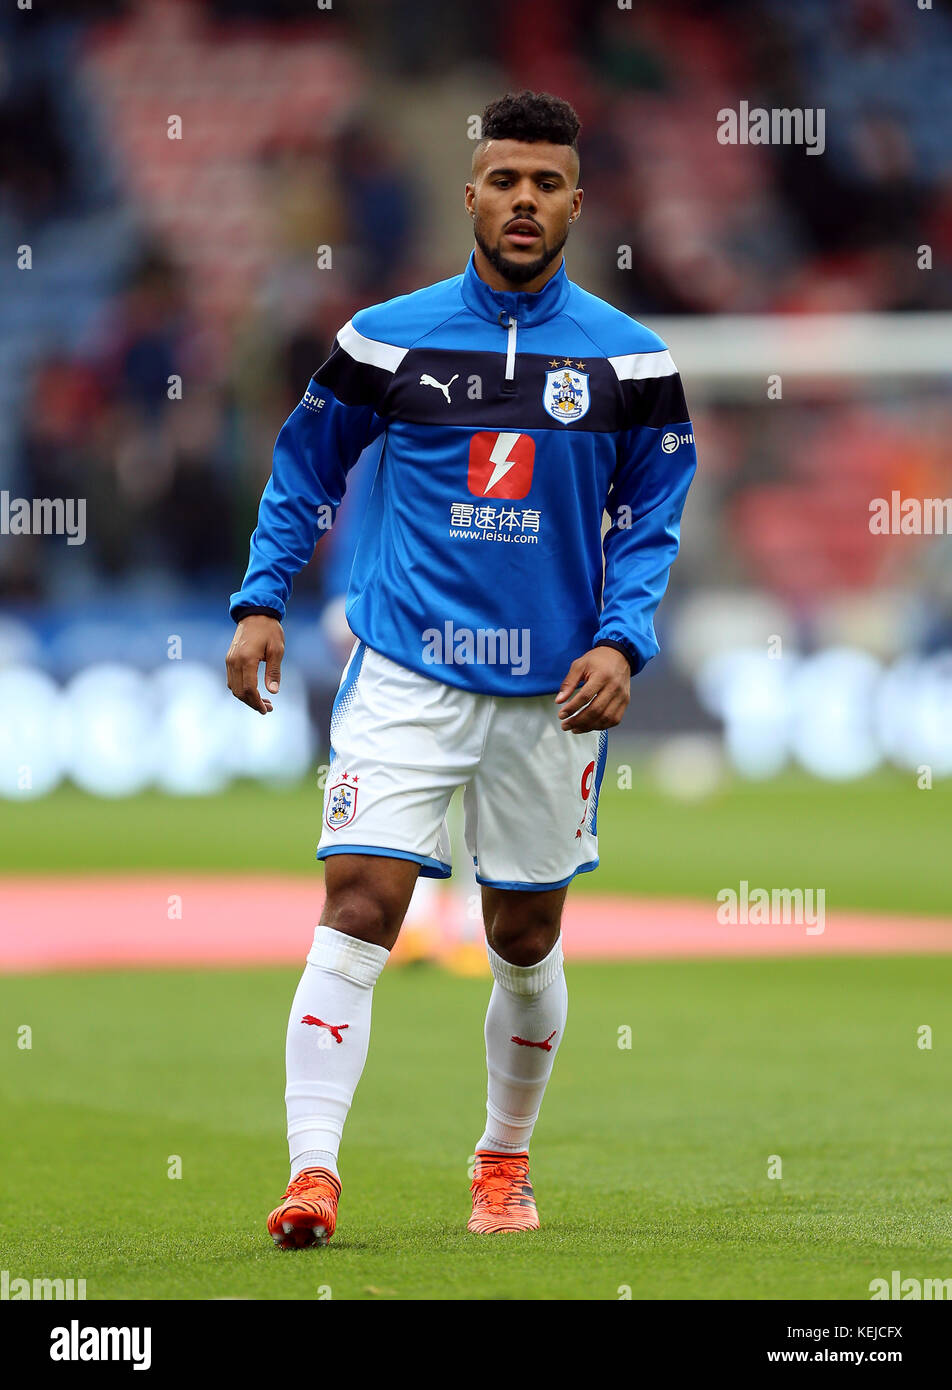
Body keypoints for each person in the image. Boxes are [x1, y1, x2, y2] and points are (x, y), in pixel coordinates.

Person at [226, 90, 697, 1245]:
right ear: (471, 193)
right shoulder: (386, 336)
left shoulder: (633, 363)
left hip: (550, 693)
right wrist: (258, 600)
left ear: (578, 203)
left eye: (546, 183)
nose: (523, 200)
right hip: (405, 673)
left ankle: (502, 1157)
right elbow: (303, 473)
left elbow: (650, 517)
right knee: (360, 905)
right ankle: (312, 1173)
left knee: (523, 937)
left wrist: (619, 637)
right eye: (504, 180)